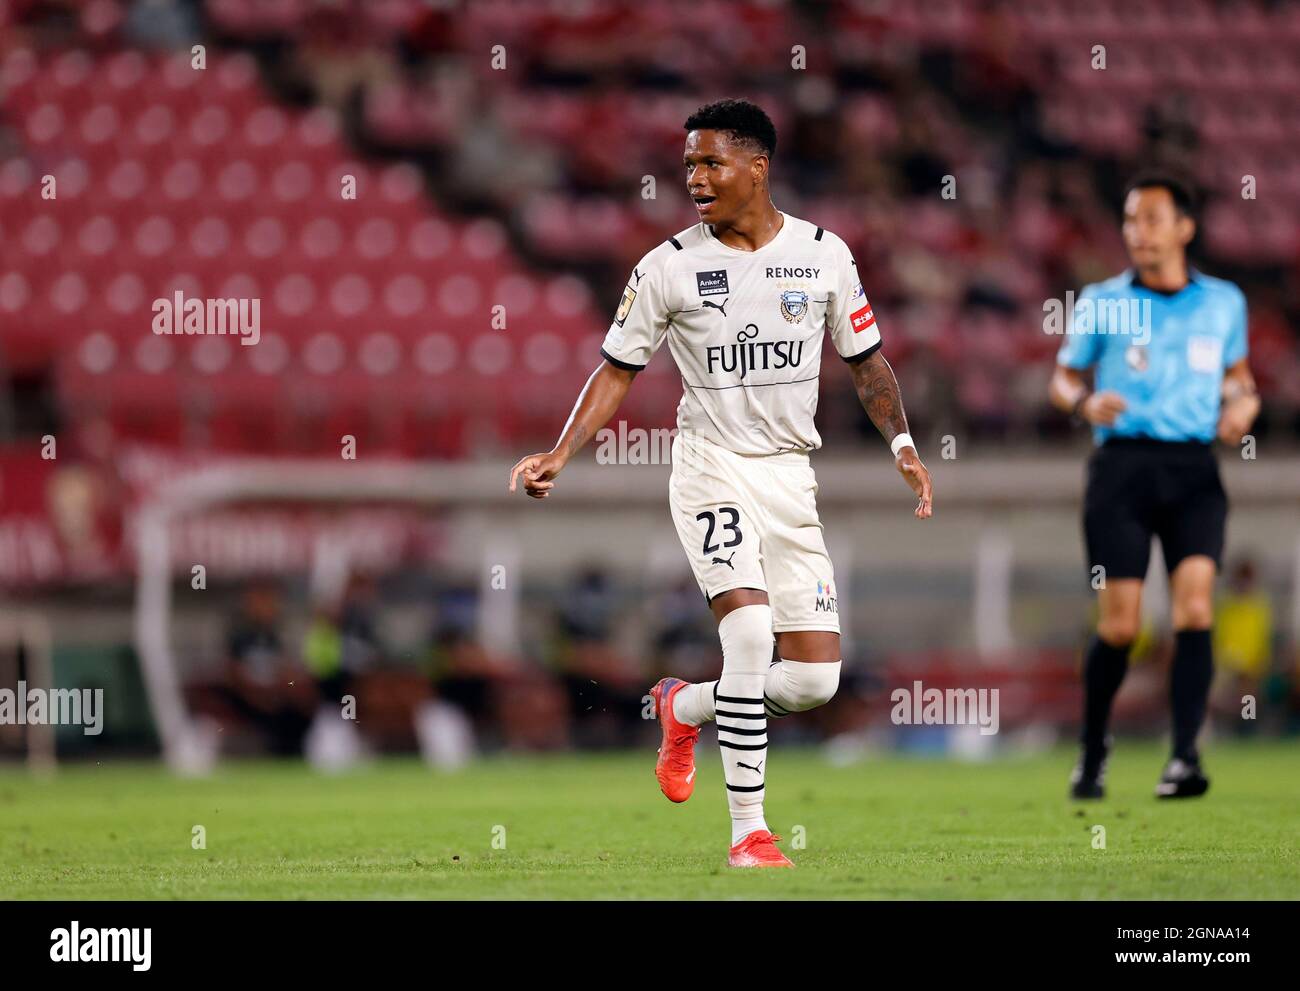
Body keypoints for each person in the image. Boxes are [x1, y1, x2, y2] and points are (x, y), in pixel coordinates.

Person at [510, 99, 932, 867]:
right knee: (745, 632)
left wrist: (901, 441)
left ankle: (685, 703)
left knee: (812, 681)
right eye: (689, 167)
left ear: (757, 167)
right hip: (711, 468)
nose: (695, 179)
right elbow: (616, 370)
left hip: (789, 478)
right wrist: (560, 452)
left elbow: (867, 362)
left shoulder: (825, 254)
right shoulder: (668, 265)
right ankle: (749, 832)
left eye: (711, 163)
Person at [1049, 171, 1259, 799]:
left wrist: (1242, 406)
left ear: (1184, 228)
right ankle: (1092, 750)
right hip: (1123, 471)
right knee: (1121, 626)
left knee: (1196, 607)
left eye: (1151, 218)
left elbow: (1240, 378)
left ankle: (1186, 756)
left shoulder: (1224, 302)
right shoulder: (1102, 300)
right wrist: (1083, 403)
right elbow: (1061, 378)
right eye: (1131, 219)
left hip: (1195, 469)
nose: (1137, 231)